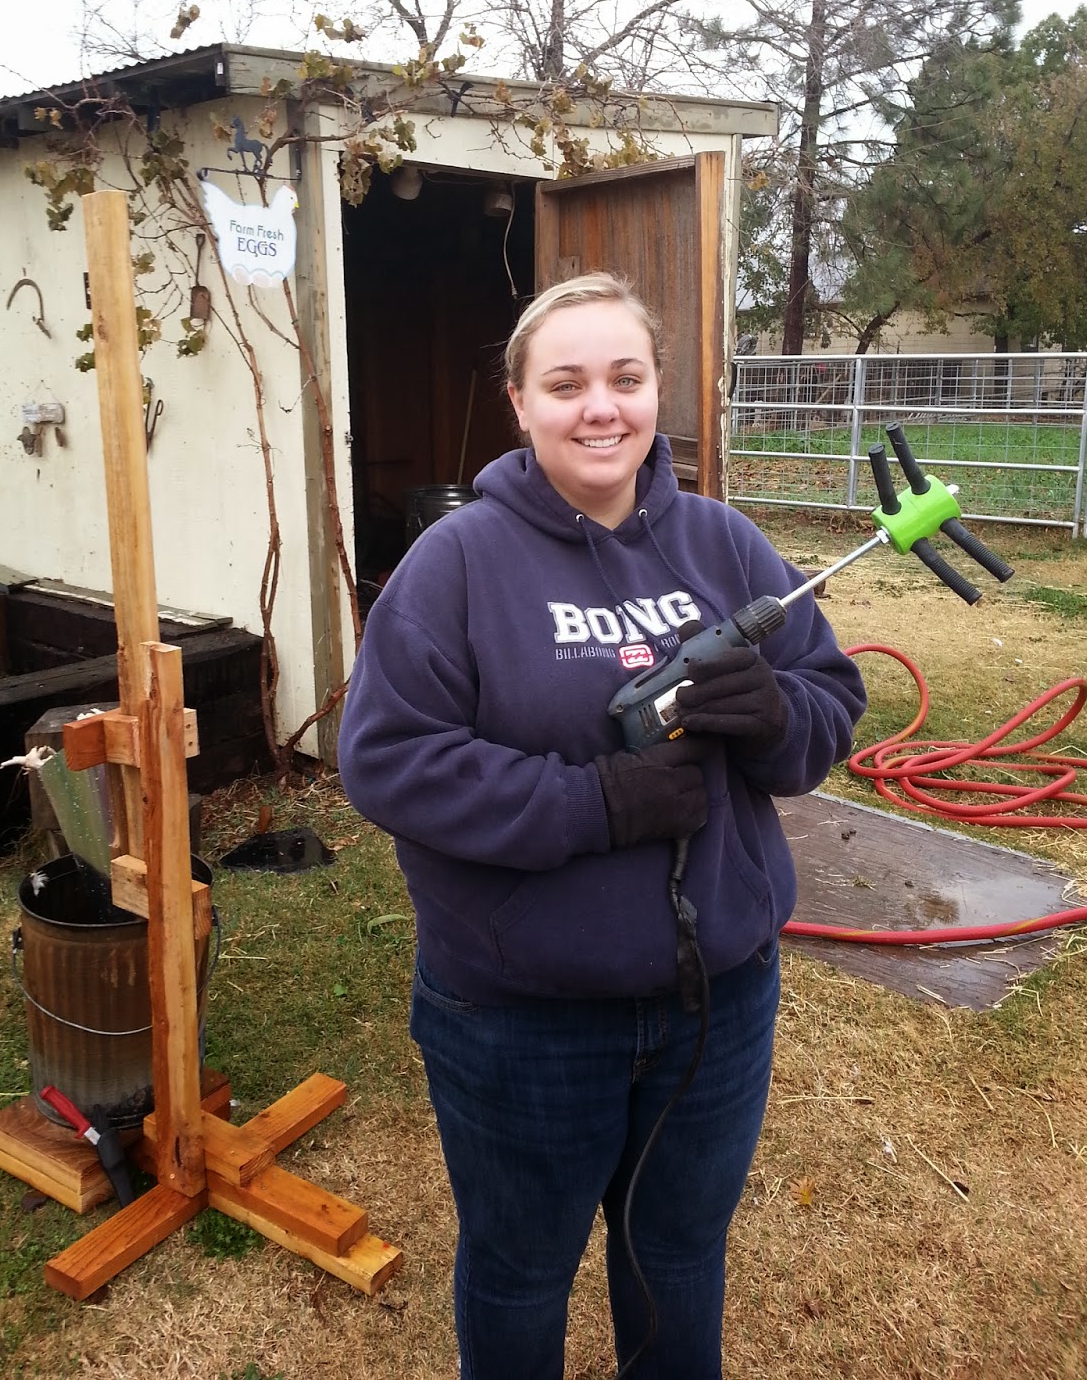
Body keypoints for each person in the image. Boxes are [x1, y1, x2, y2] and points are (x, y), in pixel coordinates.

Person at [338, 272, 867, 1380]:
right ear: (520, 404)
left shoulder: (723, 545)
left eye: (625, 378)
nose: (601, 408)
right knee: (521, 1268)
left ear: (656, 390)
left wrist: (778, 714)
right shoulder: (459, 564)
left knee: (676, 1253)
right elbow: (388, 760)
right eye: (566, 382)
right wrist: (595, 802)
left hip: (715, 1003)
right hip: (521, 1020)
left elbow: (830, 704)